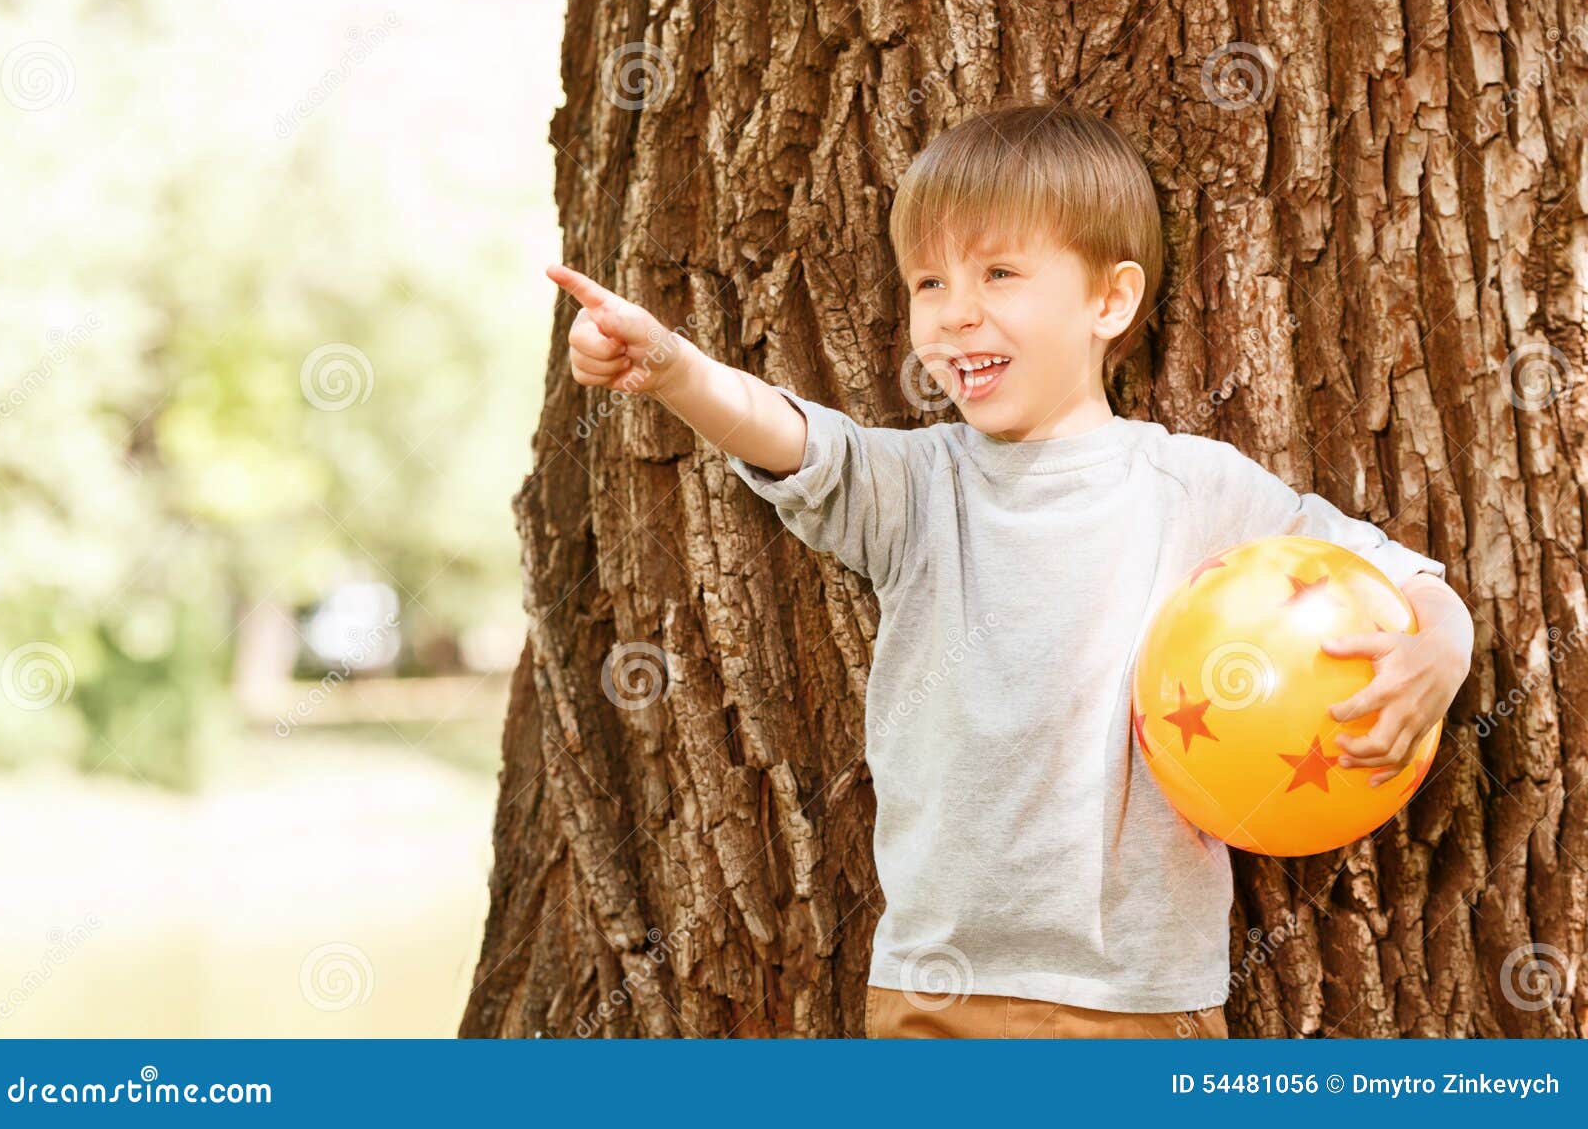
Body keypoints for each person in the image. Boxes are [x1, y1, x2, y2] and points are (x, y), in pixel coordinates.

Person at [545, 102, 1475, 1039]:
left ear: (1109, 301)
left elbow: (1387, 573)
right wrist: (673, 370)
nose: (956, 310)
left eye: (999, 272)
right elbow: (793, 437)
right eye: (929, 280)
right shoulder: (920, 486)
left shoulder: (1194, 487)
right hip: (936, 987)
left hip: (1138, 995)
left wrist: (1442, 643)